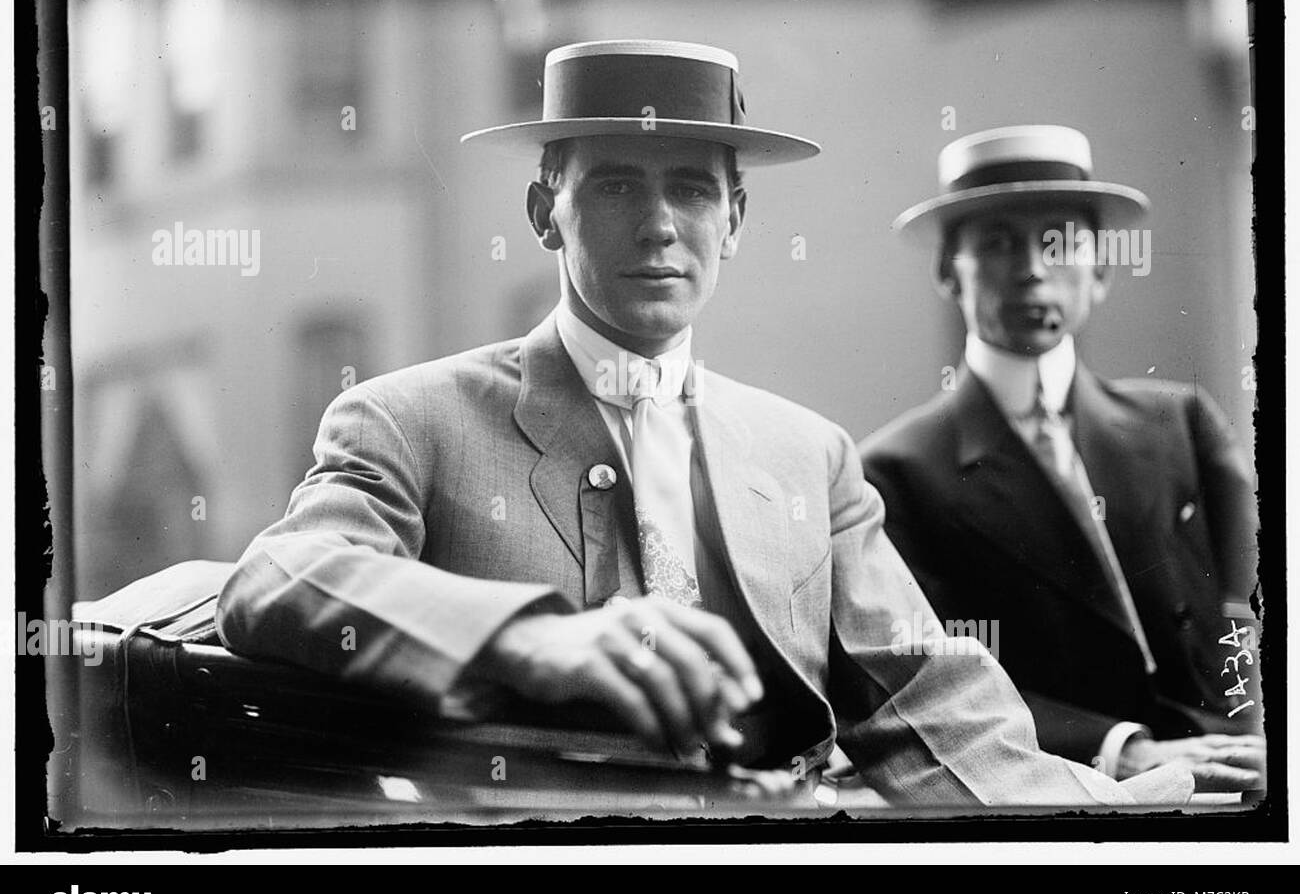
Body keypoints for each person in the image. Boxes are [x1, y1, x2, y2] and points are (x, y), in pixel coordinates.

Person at [216, 45, 1171, 806]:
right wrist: (525, 638)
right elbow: (277, 579)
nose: (661, 224)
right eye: (618, 186)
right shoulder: (410, 418)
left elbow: (936, 712)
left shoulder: (809, 454)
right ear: (545, 210)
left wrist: (1125, 811)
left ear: (738, 217)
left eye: (694, 189)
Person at [859, 125, 1263, 793]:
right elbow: (926, 680)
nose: (1031, 268)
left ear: (1101, 269)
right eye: (997, 243)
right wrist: (1122, 748)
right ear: (946, 271)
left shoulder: (1182, 424)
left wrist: (1252, 737)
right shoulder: (896, 471)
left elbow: (1250, 605)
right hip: (1066, 789)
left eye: (1059, 241)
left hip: (1238, 779)